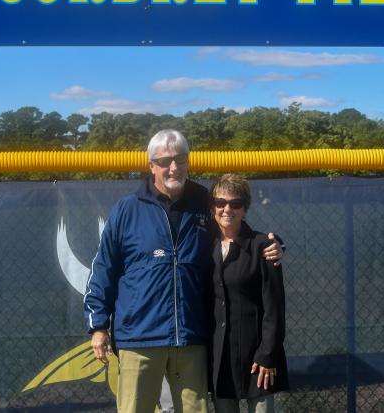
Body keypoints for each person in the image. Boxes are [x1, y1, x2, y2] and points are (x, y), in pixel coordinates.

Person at [84, 130, 283, 413]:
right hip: (140, 336)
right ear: (151, 165)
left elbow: (234, 228)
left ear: (188, 162)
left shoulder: (204, 201)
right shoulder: (127, 209)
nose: (173, 167)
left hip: (191, 336)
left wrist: (274, 244)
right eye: (165, 161)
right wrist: (98, 325)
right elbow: (104, 267)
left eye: (180, 159)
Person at [209, 174, 288, 413]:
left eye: (235, 204)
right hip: (219, 356)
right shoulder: (203, 244)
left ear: (245, 208)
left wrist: (268, 354)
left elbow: (274, 306)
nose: (226, 209)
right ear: (212, 206)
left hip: (258, 357)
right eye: (220, 202)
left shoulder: (263, 246)